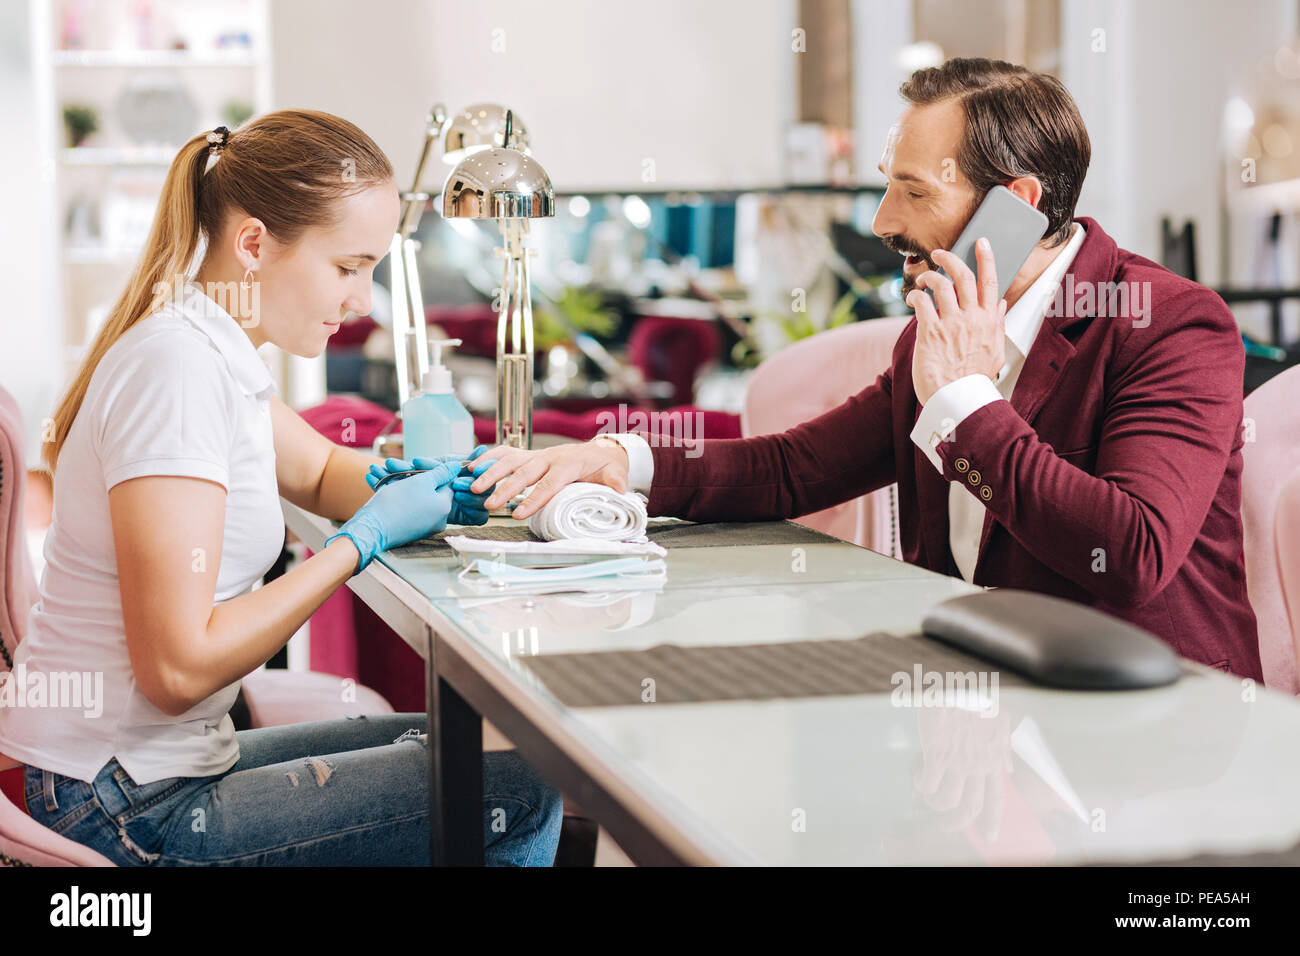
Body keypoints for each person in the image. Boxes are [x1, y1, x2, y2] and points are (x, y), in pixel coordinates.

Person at [459, 58, 1264, 682]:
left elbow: (1131, 553)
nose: (883, 222)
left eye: (913, 192)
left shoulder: (1168, 324)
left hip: (1143, 720)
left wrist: (966, 401)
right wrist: (619, 461)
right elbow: (794, 466)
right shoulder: (942, 321)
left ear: (1015, 204)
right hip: (974, 696)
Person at [0, 110, 563, 865]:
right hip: (114, 800)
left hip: (146, 772)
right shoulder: (176, 371)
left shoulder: (213, 351)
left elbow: (322, 470)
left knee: (453, 750)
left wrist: (444, 484)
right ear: (255, 245)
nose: (364, 301)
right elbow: (176, 671)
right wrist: (354, 545)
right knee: (519, 787)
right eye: (347, 267)